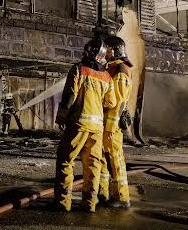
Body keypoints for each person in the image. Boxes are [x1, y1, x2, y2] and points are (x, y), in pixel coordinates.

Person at [53, 38, 116, 213]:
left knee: (66, 161)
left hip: (78, 124)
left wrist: (61, 118)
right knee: (93, 166)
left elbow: (69, 96)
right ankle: (89, 204)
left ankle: (63, 203)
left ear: (90, 52)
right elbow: (111, 102)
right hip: (97, 128)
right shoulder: (107, 76)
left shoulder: (78, 69)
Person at [98, 35, 133, 208]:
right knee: (103, 158)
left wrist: (112, 124)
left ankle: (121, 197)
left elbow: (118, 101)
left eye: (108, 48)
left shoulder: (120, 69)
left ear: (116, 50)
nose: (105, 51)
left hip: (111, 123)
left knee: (115, 159)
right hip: (104, 122)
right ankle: (103, 193)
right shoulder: (112, 68)